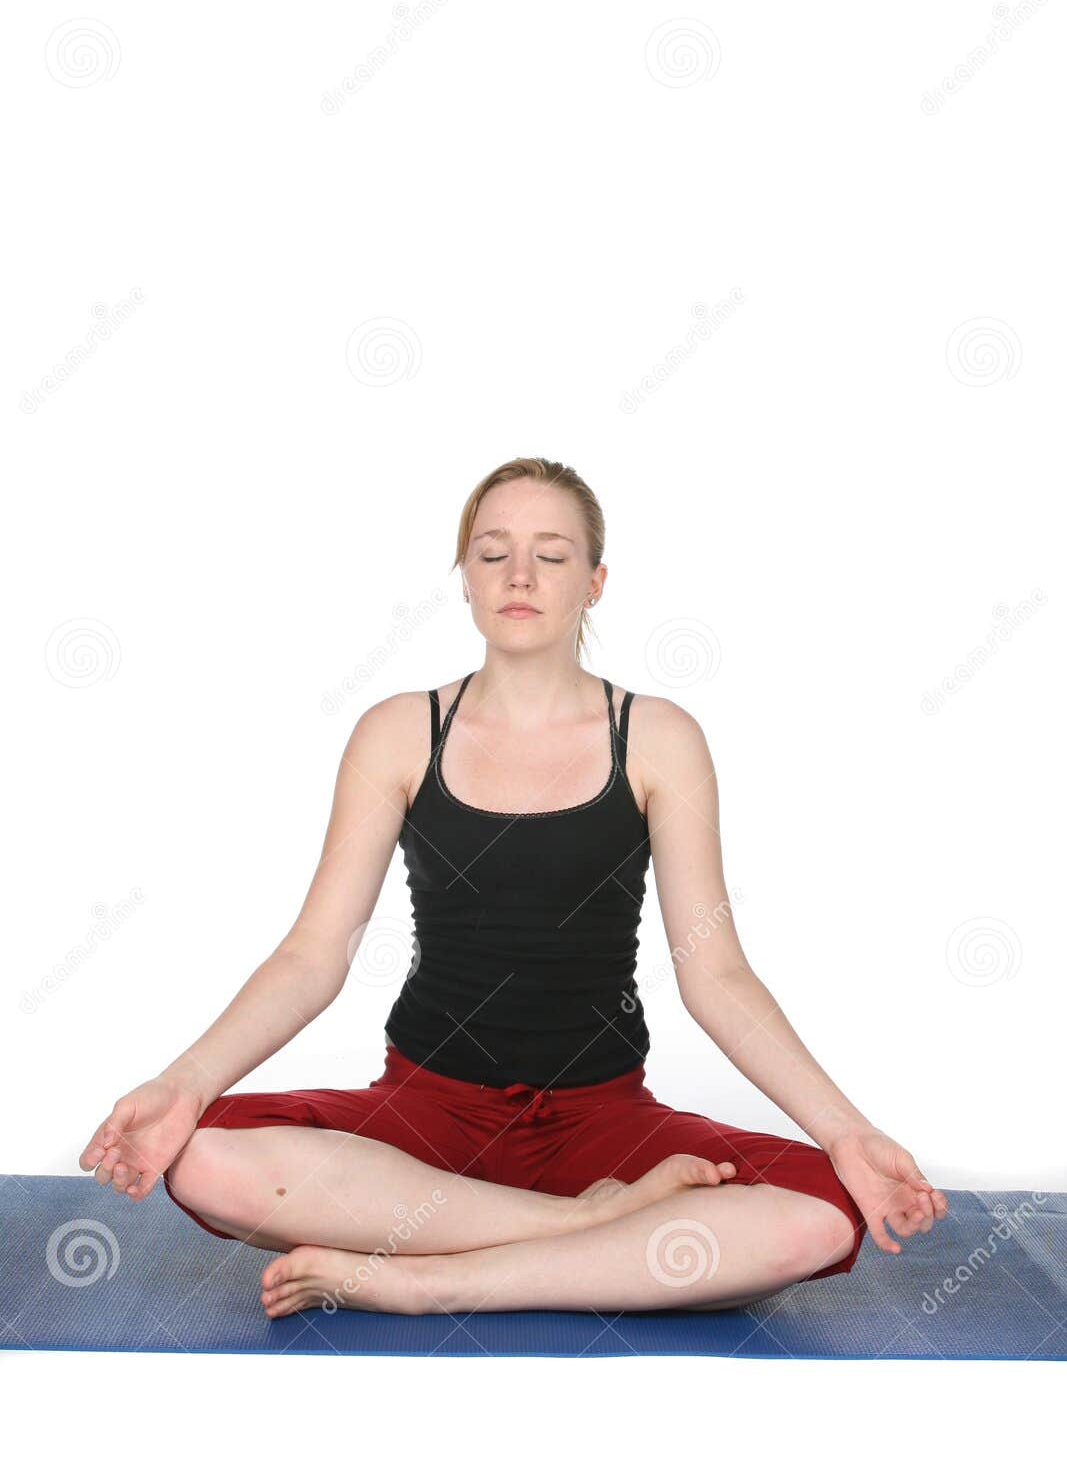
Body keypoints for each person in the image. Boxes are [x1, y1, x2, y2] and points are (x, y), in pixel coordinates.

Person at [79, 457, 948, 1321]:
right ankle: (577, 1228)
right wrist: (183, 1082)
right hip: (428, 1112)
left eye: (552, 554)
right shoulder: (397, 733)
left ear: (595, 581)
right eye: (492, 554)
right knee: (205, 1157)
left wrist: (845, 1132)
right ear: (464, 578)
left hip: (600, 1120)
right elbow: (314, 954)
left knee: (816, 1219)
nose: (520, 576)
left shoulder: (657, 738)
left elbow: (713, 972)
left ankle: (434, 1277)